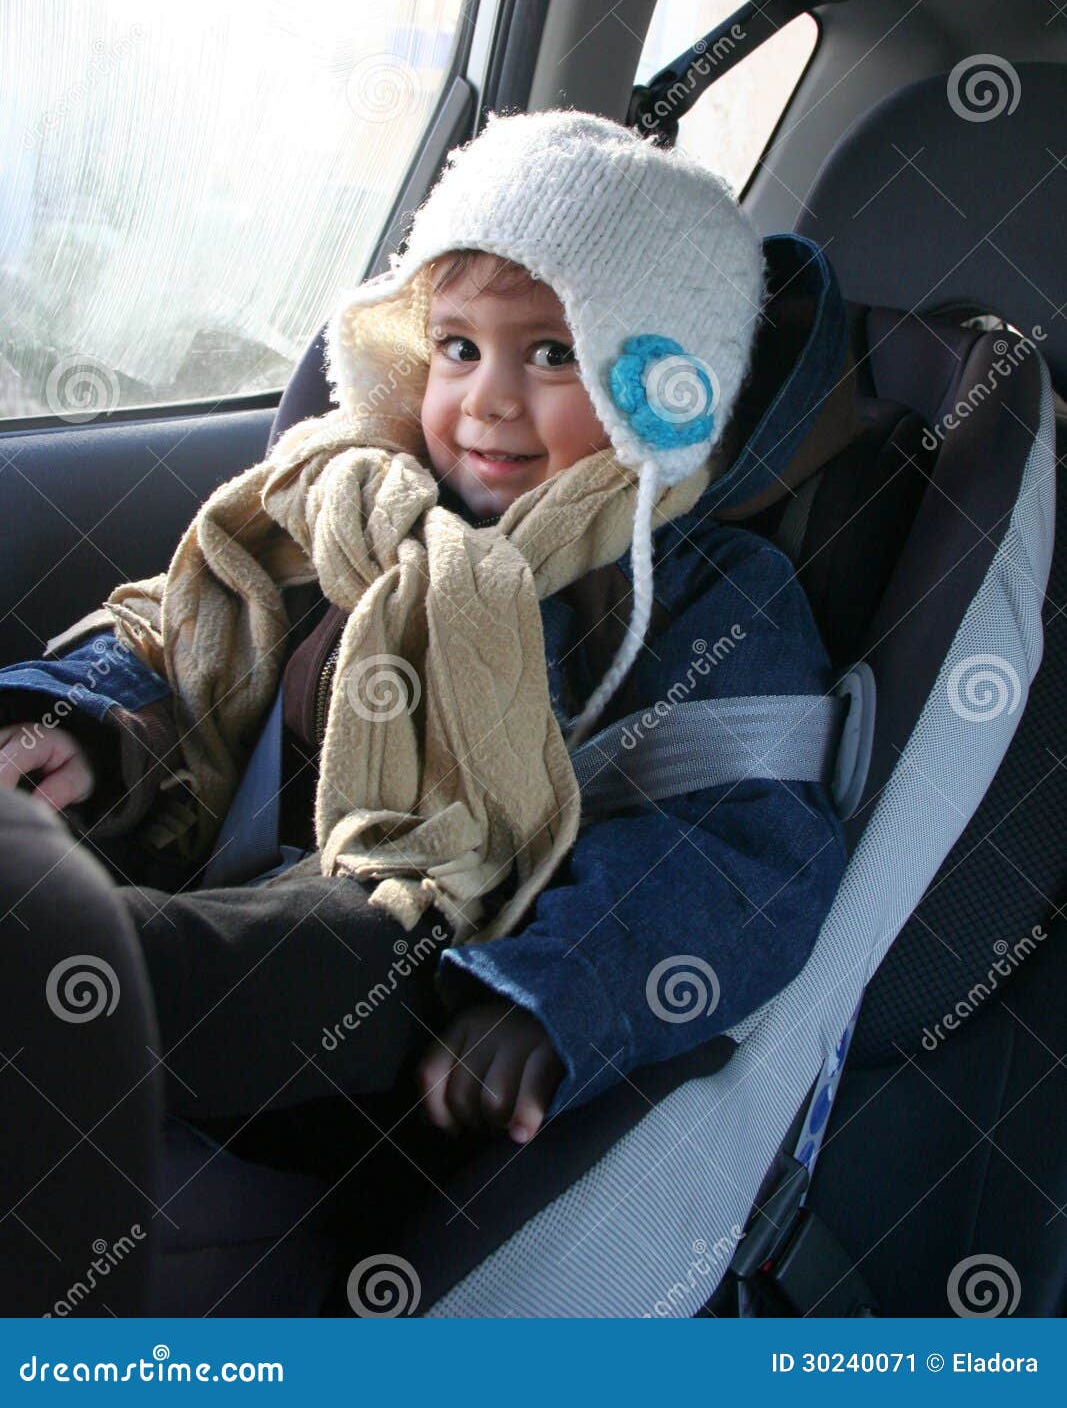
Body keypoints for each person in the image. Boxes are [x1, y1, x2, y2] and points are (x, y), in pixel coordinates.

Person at [0, 109, 849, 1186]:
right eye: (457, 347)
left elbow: (744, 849)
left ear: (668, 388)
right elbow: (186, 640)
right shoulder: (366, 506)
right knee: (48, 859)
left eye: (554, 354)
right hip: (217, 853)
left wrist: (554, 991)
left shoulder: (693, 588)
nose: (487, 398)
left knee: (147, 959)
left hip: (428, 954)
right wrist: (92, 728)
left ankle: (60, 972)